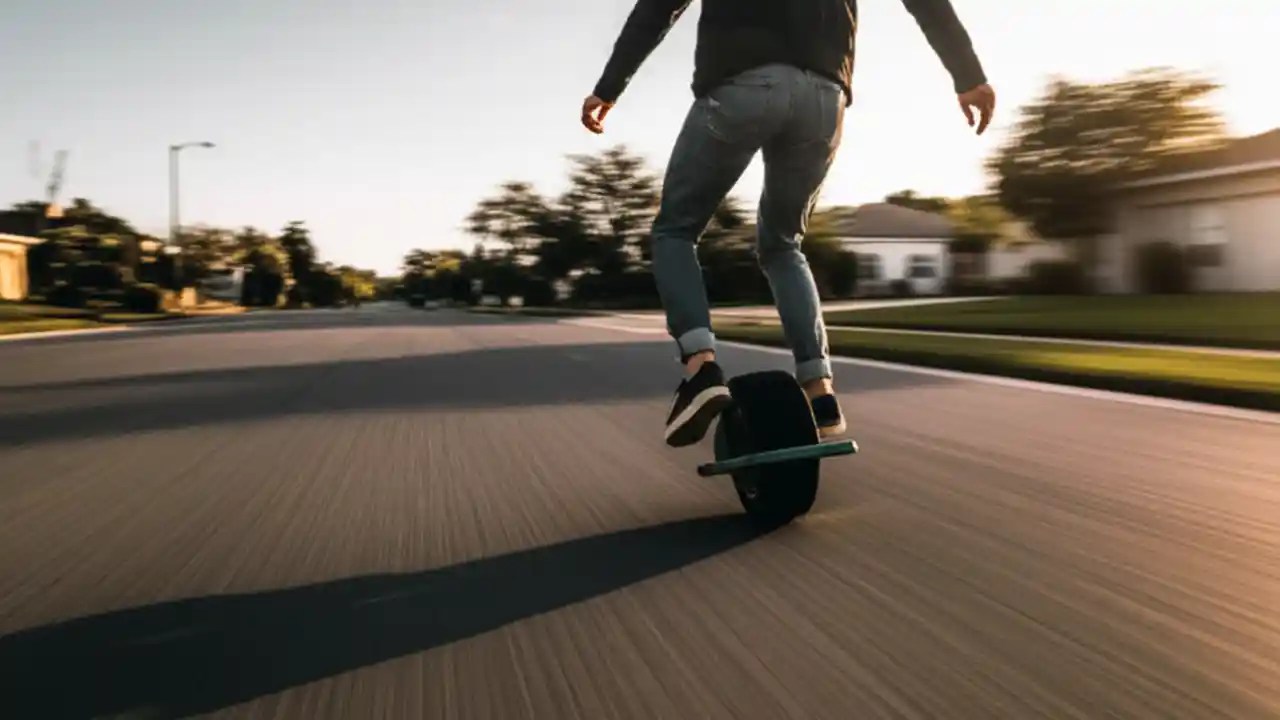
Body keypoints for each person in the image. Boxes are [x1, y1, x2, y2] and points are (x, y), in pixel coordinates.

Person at [581, 1, 995, 448]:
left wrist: (609, 88)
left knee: (675, 231)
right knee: (782, 245)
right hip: (824, 97)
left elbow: (656, 10)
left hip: (740, 85)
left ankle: (702, 372)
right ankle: (819, 390)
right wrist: (968, 76)